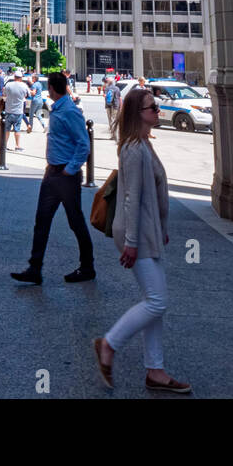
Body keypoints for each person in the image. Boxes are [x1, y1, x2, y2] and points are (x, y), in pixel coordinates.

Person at [94, 87, 189, 393]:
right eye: (152, 107)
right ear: (138, 114)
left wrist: (160, 227)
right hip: (136, 234)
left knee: (155, 301)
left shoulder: (144, 144)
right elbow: (132, 199)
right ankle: (109, 344)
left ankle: (156, 370)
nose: (157, 111)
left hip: (148, 233)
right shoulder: (134, 149)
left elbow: (152, 195)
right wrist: (133, 242)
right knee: (157, 301)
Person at [12, 71, 94, 286]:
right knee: (42, 220)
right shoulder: (59, 108)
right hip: (53, 173)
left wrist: (71, 168)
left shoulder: (69, 111)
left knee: (75, 222)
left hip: (65, 175)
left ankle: (87, 266)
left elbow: (83, 143)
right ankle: (34, 267)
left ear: (51, 88)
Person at [0, 70, 30, 151]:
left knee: (7, 129)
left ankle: (4, 146)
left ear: (14, 77)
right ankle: (17, 146)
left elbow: (4, 94)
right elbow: (27, 95)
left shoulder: (8, 85)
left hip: (8, 110)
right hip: (18, 111)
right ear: (21, 78)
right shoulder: (24, 86)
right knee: (17, 129)